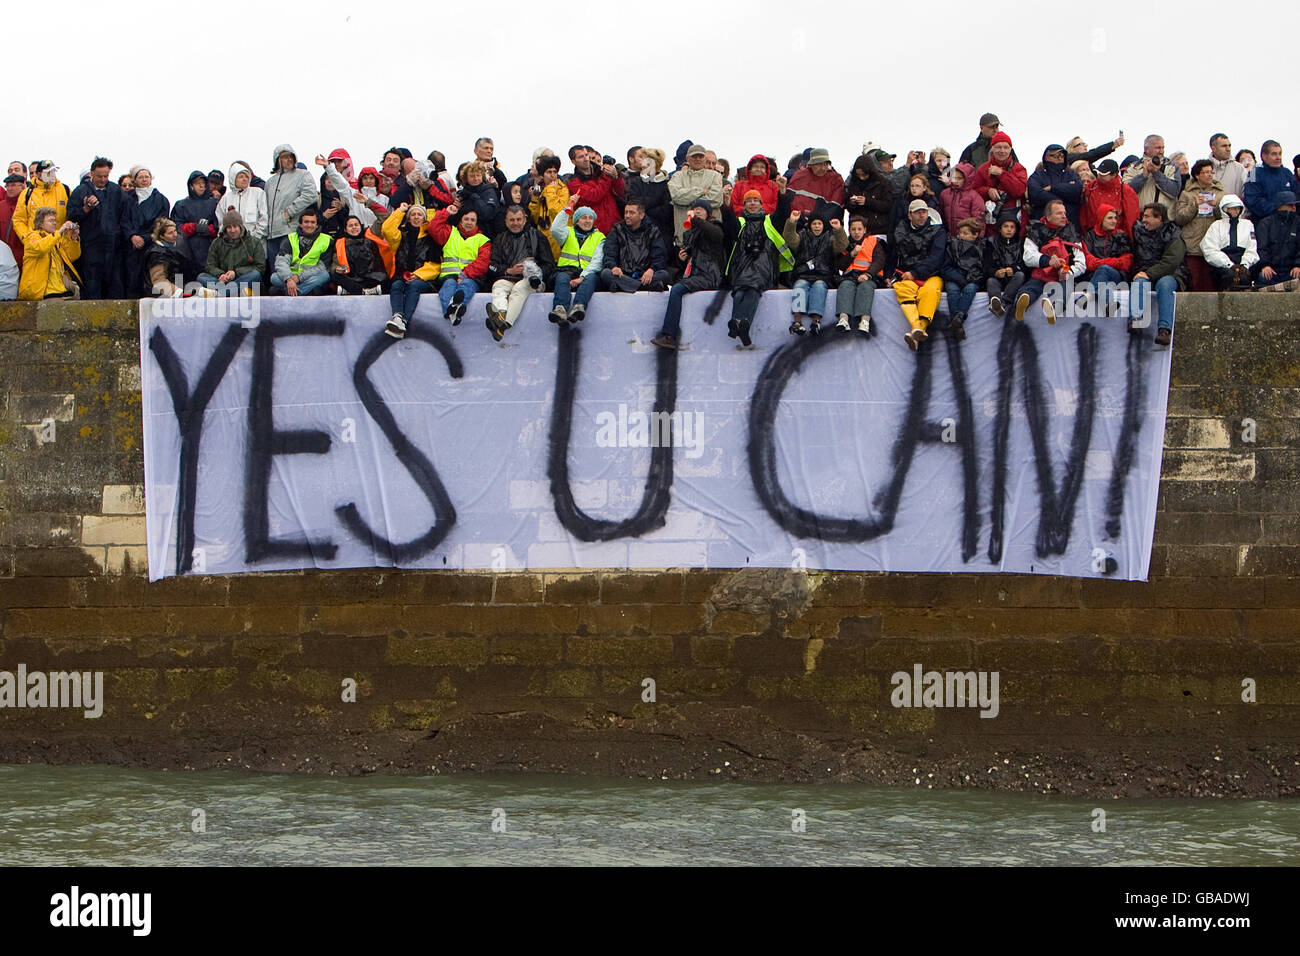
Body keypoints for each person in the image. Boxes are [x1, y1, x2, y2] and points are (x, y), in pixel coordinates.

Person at [651, 199, 728, 350]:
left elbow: (716, 236)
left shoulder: (715, 226)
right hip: (693, 275)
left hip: (708, 275)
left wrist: (697, 220)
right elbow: (687, 263)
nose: (697, 211)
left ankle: (669, 334)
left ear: (708, 213)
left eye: (701, 209)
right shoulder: (689, 234)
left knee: (677, 290)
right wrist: (681, 259)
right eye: (695, 209)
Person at [723, 188, 794, 347]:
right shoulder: (740, 222)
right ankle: (738, 323)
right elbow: (729, 223)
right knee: (739, 289)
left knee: (754, 287)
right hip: (742, 264)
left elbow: (782, 212)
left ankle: (741, 322)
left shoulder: (769, 220)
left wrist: (782, 193)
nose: (752, 203)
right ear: (744, 205)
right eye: (749, 201)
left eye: (756, 200)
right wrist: (727, 204)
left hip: (764, 264)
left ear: (761, 204)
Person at [484, 204, 555, 341]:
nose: (515, 223)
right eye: (512, 220)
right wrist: (508, 270)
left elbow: (549, 265)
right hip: (508, 277)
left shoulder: (537, 236)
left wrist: (533, 271)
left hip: (533, 281)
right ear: (506, 221)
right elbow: (491, 265)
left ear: (524, 220)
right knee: (498, 286)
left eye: (518, 219)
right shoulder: (500, 239)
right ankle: (500, 316)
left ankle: (502, 326)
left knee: (519, 288)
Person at [891, 198, 947, 350]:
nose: (922, 216)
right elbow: (894, 255)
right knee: (902, 289)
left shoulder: (938, 231)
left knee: (930, 291)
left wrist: (915, 273)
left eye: (924, 212)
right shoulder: (900, 231)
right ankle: (917, 328)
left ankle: (918, 327)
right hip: (907, 274)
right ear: (910, 215)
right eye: (917, 213)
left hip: (932, 274)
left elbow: (936, 258)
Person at [66, 157, 126, 299]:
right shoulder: (81, 191)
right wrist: (85, 209)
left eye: (106, 176)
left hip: (113, 246)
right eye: (99, 176)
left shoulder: (116, 191)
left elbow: (124, 215)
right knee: (92, 285)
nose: (103, 179)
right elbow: (70, 216)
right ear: (92, 173)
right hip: (90, 246)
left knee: (115, 285)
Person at [1017, 198, 1084, 323]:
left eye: (1064, 213)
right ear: (1048, 216)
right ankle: (1023, 301)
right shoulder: (1036, 230)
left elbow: (1082, 263)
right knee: (1033, 285)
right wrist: (1047, 261)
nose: (1064, 216)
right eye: (1059, 213)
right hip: (1042, 273)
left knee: (1067, 285)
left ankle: (1054, 308)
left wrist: (1068, 271)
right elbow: (1028, 256)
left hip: (1063, 275)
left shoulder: (1071, 232)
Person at [1130, 202, 1187, 346]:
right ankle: (1135, 321)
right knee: (1138, 283)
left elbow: (1172, 261)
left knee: (1165, 285)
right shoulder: (1139, 232)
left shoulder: (1174, 234)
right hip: (1146, 272)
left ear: (1159, 218)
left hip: (1171, 273)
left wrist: (1148, 274)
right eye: (1143, 216)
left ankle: (1164, 330)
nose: (1143, 220)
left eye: (1147, 217)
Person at [783, 211, 848, 335]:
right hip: (803, 274)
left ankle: (816, 321)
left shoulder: (830, 238)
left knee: (819, 287)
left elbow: (842, 245)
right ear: (810, 225)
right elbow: (790, 238)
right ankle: (797, 322)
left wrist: (839, 229)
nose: (817, 226)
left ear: (824, 225)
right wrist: (792, 222)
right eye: (814, 224)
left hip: (823, 275)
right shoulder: (802, 235)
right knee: (800, 286)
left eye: (819, 223)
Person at [381, 204, 440, 339]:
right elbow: (387, 229)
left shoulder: (431, 237)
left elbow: (436, 264)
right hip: (403, 276)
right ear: (408, 218)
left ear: (424, 219)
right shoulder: (402, 235)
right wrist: (400, 211)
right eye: (413, 215)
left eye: (419, 215)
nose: (416, 217)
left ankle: (403, 322)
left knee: (413, 287)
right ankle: (397, 317)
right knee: (396, 285)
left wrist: (419, 275)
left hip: (423, 279)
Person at [428, 202, 490, 324]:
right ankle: (455, 310)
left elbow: (483, 262)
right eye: (466, 219)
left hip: (470, 278)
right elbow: (432, 228)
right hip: (449, 276)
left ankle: (451, 309)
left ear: (476, 222)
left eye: (473, 220)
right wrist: (447, 212)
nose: (469, 222)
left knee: (467, 286)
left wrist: (465, 275)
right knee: (449, 285)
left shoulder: (483, 240)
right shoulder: (450, 232)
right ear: (460, 220)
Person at [264, 144, 319, 273]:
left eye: (291, 157)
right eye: (284, 157)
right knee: (275, 273)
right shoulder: (270, 182)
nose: (288, 160)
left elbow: (311, 195)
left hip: (289, 232)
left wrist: (290, 210)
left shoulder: (303, 175)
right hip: (271, 235)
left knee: (290, 271)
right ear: (277, 160)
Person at [1173, 160, 1225, 291]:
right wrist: (1194, 205)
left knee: (1212, 284)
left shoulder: (1221, 194)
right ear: (1197, 175)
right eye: (1206, 172)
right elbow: (1179, 218)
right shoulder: (1187, 193)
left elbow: (1227, 218)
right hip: (1193, 245)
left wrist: (1216, 206)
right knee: (1194, 282)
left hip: (1215, 245)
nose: (1210, 175)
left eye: (1211, 172)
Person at [549, 202, 604, 324]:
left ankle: (578, 307)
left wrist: (582, 276)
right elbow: (555, 229)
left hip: (588, 273)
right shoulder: (567, 232)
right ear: (576, 221)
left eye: (590, 218)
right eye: (584, 217)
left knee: (591, 279)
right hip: (567, 270)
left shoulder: (600, 237)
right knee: (561, 278)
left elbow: (598, 261)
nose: (587, 221)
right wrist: (567, 209)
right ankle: (560, 309)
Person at [600, 199, 668, 293]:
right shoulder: (617, 229)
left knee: (664, 275)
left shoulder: (652, 231)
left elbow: (659, 255)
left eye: (631, 213)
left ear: (641, 215)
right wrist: (613, 267)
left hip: (645, 275)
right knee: (605, 274)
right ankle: (643, 287)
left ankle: (624, 286)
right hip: (622, 274)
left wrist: (652, 270)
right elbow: (609, 253)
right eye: (626, 212)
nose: (627, 216)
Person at [833, 216, 887, 332]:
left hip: (870, 277)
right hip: (850, 276)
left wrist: (868, 274)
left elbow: (879, 261)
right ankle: (843, 319)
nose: (856, 232)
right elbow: (840, 265)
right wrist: (851, 254)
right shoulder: (845, 243)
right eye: (853, 229)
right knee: (845, 286)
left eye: (859, 229)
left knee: (866, 288)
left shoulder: (874, 241)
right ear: (849, 230)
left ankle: (864, 321)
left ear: (865, 230)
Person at [121, 166, 169, 295]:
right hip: (131, 246)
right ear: (134, 180)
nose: (144, 180)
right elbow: (123, 220)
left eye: (146, 177)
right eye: (140, 177)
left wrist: (146, 238)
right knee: (131, 281)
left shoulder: (161, 199)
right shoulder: (126, 198)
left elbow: (162, 223)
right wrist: (132, 236)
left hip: (151, 246)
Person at [1081, 205, 1133, 316]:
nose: (1114, 221)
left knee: (1104, 270)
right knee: (1105, 282)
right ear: (1101, 218)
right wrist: (1113, 262)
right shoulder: (1090, 236)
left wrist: (1101, 263)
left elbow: (1126, 262)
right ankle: (1108, 306)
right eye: (1110, 218)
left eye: (1115, 218)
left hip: (1118, 276)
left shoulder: (1121, 236)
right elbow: (1088, 262)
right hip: (1094, 276)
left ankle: (1088, 295)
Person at [970, 132, 1028, 232]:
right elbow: (974, 191)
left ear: (1010, 149)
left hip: (1014, 220)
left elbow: (1019, 190)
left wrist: (1001, 174)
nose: (1002, 151)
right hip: (991, 220)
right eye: (998, 147)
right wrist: (988, 191)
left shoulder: (1019, 168)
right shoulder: (983, 169)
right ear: (992, 148)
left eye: (1006, 147)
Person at [199, 210, 265, 295]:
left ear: (240, 226)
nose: (232, 230)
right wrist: (220, 275)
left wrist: (235, 273)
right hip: (222, 281)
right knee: (201, 277)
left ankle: (222, 293)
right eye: (229, 227)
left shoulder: (254, 242)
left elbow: (260, 267)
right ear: (225, 229)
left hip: (241, 279)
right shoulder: (217, 243)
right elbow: (210, 266)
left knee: (255, 275)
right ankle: (229, 292)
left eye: (235, 226)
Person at [668, 144, 725, 243]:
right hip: (683, 237)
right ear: (687, 158)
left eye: (701, 156)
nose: (698, 159)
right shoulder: (677, 176)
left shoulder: (716, 176)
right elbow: (676, 196)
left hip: (710, 241)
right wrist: (702, 191)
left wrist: (687, 198)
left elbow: (716, 199)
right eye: (694, 156)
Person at [19, 208, 80, 300]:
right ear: (40, 223)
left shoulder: (56, 239)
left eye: (55, 220)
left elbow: (72, 257)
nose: (54, 223)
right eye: (51, 220)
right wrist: (60, 231)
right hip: (42, 292)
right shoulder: (32, 237)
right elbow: (40, 248)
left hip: (60, 289)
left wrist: (73, 238)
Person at [939, 217, 985, 339]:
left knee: (969, 290)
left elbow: (981, 268)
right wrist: (960, 279)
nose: (961, 236)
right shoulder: (952, 245)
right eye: (961, 233)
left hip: (973, 279)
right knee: (952, 291)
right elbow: (946, 266)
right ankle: (958, 322)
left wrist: (971, 279)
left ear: (975, 234)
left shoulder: (982, 247)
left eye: (966, 233)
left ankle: (958, 318)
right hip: (953, 277)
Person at [1200, 195, 1258, 290]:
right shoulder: (1216, 226)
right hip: (1222, 265)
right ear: (1225, 209)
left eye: (1238, 208)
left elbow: (1252, 247)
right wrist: (1229, 265)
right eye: (1232, 208)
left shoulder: (1248, 225)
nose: (1236, 211)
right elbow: (1209, 249)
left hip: (1243, 262)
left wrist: (1245, 265)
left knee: (1245, 277)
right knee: (1228, 276)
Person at [270, 207, 331, 296]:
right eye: (306, 222)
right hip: (290, 276)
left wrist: (299, 277)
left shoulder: (326, 240)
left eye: (313, 222)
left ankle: (295, 292)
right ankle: (300, 290)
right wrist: (289, 279)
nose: (309, 225)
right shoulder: (290, 239)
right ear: (300, 224)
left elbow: (321, 267)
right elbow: (281, 261)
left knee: (325, 276)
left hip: (309, 277)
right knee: (274, 277)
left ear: (317, 225)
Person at [170, 170, 219, 277]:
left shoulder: (214, 203)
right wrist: (194, 227)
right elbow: (176, 226)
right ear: (191, 186)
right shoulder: (181, 205)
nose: (201, 186)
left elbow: (219, 226)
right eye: (198, 183)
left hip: (209, 247)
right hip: (187, 248)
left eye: (203, 183)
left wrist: (209, 229)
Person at [564, 146, 624, 234]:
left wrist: (616, 177)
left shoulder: (601, 172)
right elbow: (595, 196)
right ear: (573, 161)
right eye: (581, 157)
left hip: (615, 226)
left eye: (586, 155)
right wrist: (607, 175)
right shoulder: (574, 183)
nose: (586, 159)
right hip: (594, 231)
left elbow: (620, 191)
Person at [10, 160, 71, 245]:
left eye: (54, 171)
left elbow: (72, 215)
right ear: (39, 174)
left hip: (61, 245)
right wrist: (27, 238)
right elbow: (18, 219)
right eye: (48, 173)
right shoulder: (27, 193)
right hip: (37, 245)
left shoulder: (65, 190)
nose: (52, 175)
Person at [324, 214, 386, 295]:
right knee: (335, 275)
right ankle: (364, 291)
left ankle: (351, 291)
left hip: (369, 276)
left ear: (361, 226)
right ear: (345, 230)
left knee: (386, 280)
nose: (354, 227)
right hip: (351, 278)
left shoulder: (370, 236)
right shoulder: (341, 243)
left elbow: (383, 217)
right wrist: (336, 268)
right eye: (350, 226)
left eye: (356, 225)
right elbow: (335, 264)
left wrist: (368, 202)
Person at [1027, 144, 1084, 229]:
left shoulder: (1071, 174)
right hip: (1042, 228)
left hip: (1070, 226)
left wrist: (1051, 188)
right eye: (1056, 155)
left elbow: (1076, 191)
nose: (1060, 158)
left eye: (1062, 155)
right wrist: (1063, 195)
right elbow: (1035, 195)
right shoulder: (1037, 175)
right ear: (1046, 157)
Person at [623, 147, 673, 243]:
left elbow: (666, 210)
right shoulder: (636, 182)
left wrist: (647, 209)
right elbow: (635, 204)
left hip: (662, 233)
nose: (642, 165)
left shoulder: (666, 184)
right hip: (639, 234)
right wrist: (655, 202)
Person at [983, 208, 1026, 317]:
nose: (1009, 230)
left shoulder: (1022, 243)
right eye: (1005, 226)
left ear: (1016, 229)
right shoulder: (991, 242)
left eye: (1012, 227)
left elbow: (1026, 265)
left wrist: (1014, 269)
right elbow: (986, 266)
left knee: (1020, 275)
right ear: (1000, 228)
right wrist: (996, 272)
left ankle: (1003, 303)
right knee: (991, 281)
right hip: (998, 278)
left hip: (1014, 278)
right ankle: (995, 301)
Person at [1253, 191, 1300, 290]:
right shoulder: (1265, 224)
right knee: (1263, 277)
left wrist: (1298, 265)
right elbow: (1261, 247)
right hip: (1272, 270)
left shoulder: (1298, 223)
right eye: (1290, 205)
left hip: (1292, 270)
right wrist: (1265, 265)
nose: (1294, 208)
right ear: (1280, 206)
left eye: (1295, 205)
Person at [1243, 140, 1300, 222]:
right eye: (1274, 154)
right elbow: (1251, 200)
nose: (1278, 157)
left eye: (1280, 154)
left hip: (1288, 224)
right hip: (1264, 224)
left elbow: (1297, 194)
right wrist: (1277, 209)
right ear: (1264, 156)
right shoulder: (1253, 173)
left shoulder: (1287, 173)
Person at [1081, 159, 1140, 237]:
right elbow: (1085, 213)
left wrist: (1129, 239)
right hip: (1093, 237)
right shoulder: (1091, 187)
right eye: (1099, 173)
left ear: (1114, 174)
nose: (1100, 176)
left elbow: (1131, 219)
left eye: (1104, 174)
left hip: (1117, 238)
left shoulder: (1126, 191)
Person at [1122, 135, 1181, 212]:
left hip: (1164, 219)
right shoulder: (1134, 167)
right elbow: (1125, 192)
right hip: (1140, 217)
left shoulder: (1172, 167)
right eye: (1158, 148)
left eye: (1163, 148)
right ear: (1146, 149)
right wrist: (1143, 176)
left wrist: (1156, 173)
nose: (1161, 151)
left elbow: (1174, 191)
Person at [528, 154, 570, 259]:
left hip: (558, 240)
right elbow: (535, 217)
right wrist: (534, 199)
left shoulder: (562, 189)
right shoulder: (540, 189)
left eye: (555, 172)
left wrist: (550, 190)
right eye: (549, 172)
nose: (552, 175)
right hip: (544, 237)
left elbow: (558, 212)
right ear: (542, 175)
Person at [842, 152, 893, 236]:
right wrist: (852, 203)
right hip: (858, 231)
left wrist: (867, 202)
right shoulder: (853, 183)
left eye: (864, 175)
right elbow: (847, 205)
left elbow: (887, 205)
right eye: (859, 175)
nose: (861, 177)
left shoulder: (883, 183)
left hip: (878, 230)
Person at [785, 147, 844, 219]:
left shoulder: (836, 180)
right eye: (818, 164)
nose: (822, 168)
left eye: (825, 165)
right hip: (797, 221)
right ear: (811, 164)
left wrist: (816, 221)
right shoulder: (799, 176)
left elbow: (835, 208)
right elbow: (789, 201)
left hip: (822, 225)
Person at [215, 162, 268, 240]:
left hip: (256, 243)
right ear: (233, 178)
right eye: (240, 177)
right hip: (232, 245)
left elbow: (264, 217)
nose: (244, 179)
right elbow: (221, 222)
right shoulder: (225, 199)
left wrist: (254, 237)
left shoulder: (258, 193)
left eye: (246, 176)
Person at [144, 218, 192, 297]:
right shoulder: (156, 254)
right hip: (161, 295)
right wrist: (177, 292)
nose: (175, 234)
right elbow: (158, 280)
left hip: (178, 288)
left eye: (175, 231)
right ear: (161, 236)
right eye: (170, 233)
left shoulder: (175, 248)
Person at [457, 160, 503, 236]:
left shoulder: (489, 191)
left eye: (478, 175)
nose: (475, 178)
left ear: (482, 176)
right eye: (472, 176)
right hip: (464, 234)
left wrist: (474, 197)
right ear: (466, 178)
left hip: (484, 234)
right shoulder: (462, 194)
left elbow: (487, 214)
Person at [939, 163, 984, 237]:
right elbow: (941, 216)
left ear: (967, 179)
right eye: (953, 177)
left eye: (959, 178)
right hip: (949, 237)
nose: (955, 181)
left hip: (968, 238)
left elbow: (979, 222)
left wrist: (978, 239)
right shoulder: (944, 194)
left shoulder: (974, 197)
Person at [1, 173, 24, 267]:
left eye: (13, 185)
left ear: (22, 186)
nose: (10, 188)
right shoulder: (1, 206)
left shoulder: (27, 205)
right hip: (3, 258)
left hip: (22, 258)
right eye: (8, 185)